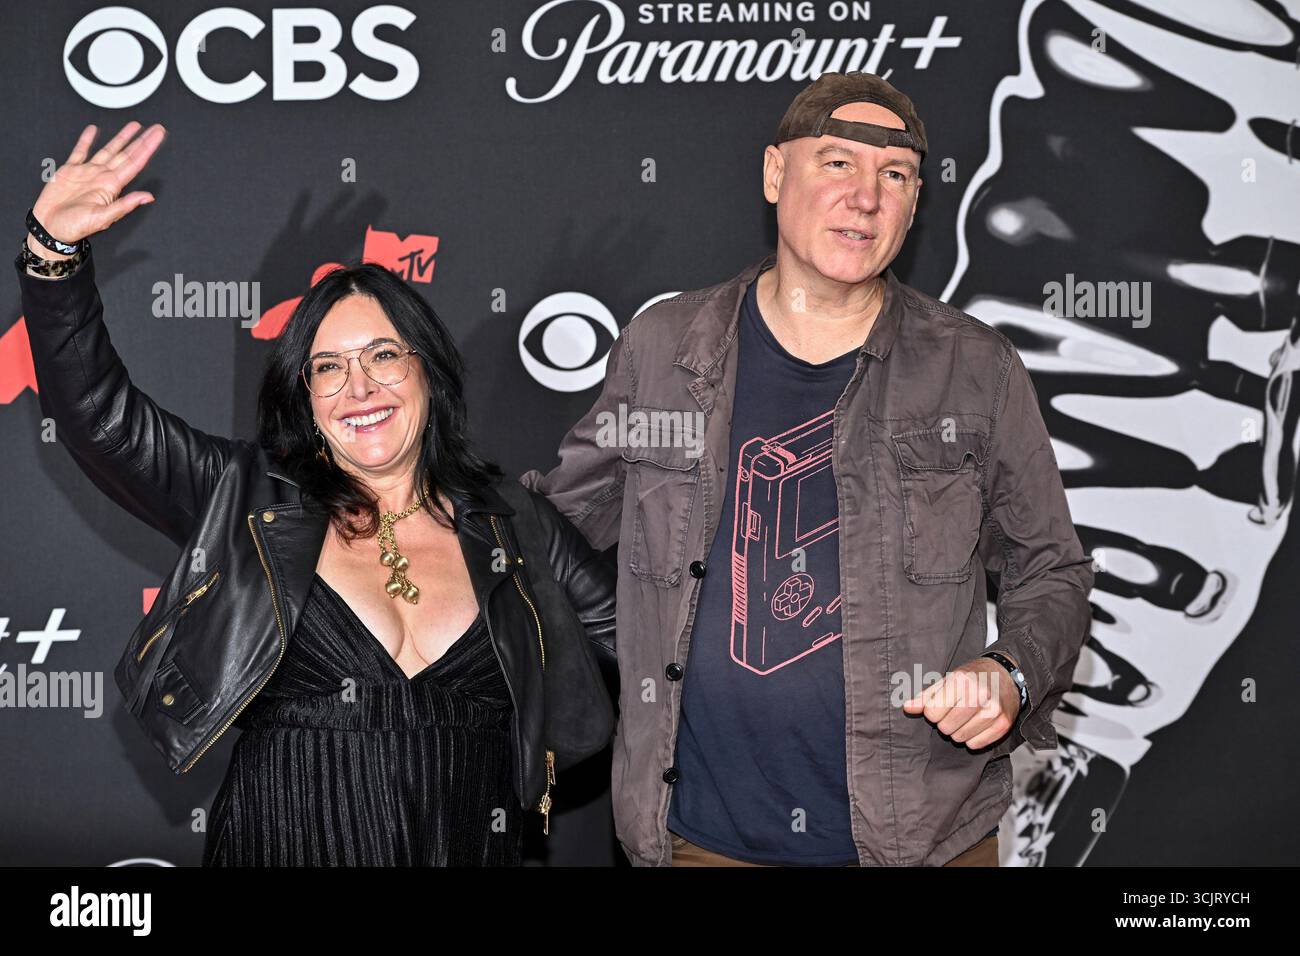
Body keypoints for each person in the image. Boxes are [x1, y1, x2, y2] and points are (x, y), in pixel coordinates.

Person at [521, 72, 1096, 866]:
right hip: (703, 841)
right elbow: (551, 530)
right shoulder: (664, 350)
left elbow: (1051, 569)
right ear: (773, 173)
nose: (866, 197)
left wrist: (1012, 672)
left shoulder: (975, 370)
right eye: (836, 163)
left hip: (925, 841)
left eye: (893, 176)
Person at [15, 121, 618, 866]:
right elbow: (99, 420)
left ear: (427, 369)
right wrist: (53, 255)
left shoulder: (515, 524)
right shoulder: (244, 497)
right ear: (306, 396)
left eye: (382, 355)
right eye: (328, 367)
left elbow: (658, 643)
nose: (358, 386)